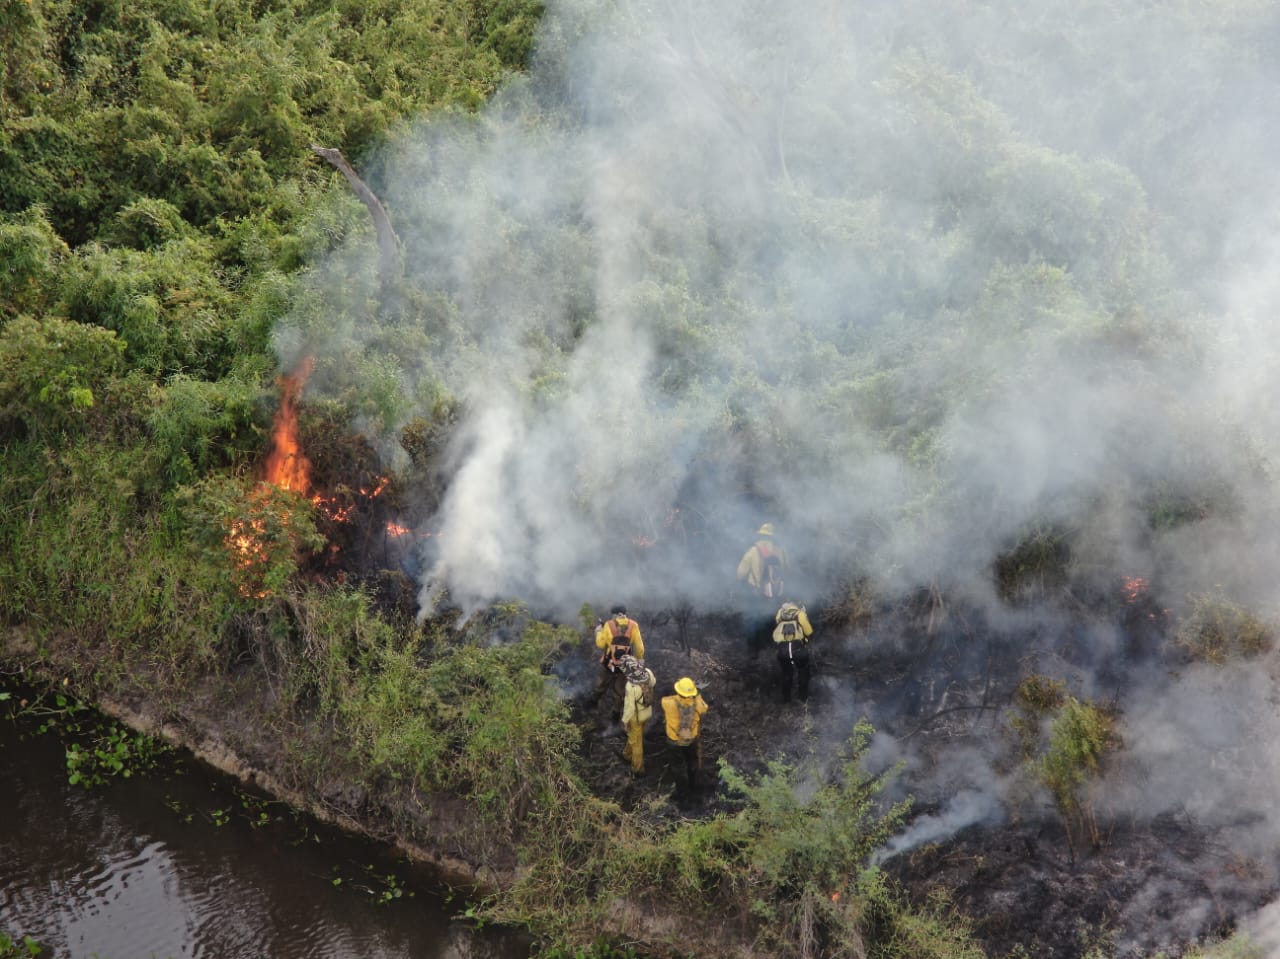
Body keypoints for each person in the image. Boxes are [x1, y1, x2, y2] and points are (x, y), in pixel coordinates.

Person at [593, 605, 645, 715]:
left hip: (609, 663)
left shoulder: (608, 625)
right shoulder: (633, 625)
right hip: (624, 664)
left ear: (616, 614)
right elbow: (640, 648)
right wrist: (640, 659)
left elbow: (600, 644)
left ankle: (593, 703)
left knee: (601, 684)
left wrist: (599, 632)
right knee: (620, 691)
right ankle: (615, 714)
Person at [661, 677, 709, 790]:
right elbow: (705, 708)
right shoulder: (697, 703)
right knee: (692, 761)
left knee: (678, 765)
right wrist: (697, 695)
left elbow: (664, 699)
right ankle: (693, 784)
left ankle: (682, 789)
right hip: (691, 739)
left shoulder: (668, 703)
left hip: (674, 740)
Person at [618, 655, 657, 774]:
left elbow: (629, 708)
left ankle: (638, 768)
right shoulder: (648, 672)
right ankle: (627, 754)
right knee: (635, 735)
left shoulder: (631, 686)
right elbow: (654, 683)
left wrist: (625, 721)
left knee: (636, 742)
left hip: (636, 717)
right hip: (647, 711)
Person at [773, 601, 815, 703]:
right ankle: (803, 698)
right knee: (803, 672)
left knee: (786, 673)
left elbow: (778, 625)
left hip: (782, 649)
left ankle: (786, 699)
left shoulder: (780, 613)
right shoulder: (800, 614)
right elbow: (809, 631)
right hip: (798, 649)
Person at [736, 523, 789, 600]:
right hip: (777, 592)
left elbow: (741, 573)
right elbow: (787, 570)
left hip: (756, 593)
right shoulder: (782, 551)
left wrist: (739, 581)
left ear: (760, 535)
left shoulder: (753, 550)